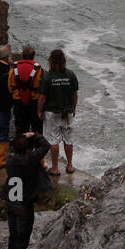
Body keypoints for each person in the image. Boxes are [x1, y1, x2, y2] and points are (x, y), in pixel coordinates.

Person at [1, 131, 51, 249]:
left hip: (11, 201)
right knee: (22, 239)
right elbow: (45, 146)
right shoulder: (30, 159)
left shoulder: (9, 159)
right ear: (28, 149)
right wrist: (35, 135)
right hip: (24, 205)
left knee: (13, 235)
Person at [37, 47, 78, 176]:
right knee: (68, 139)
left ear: (51, 61)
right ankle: (70, 166)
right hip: (68, 112)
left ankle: (55, 168)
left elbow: (42, 97)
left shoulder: (47, 77)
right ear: (64, 61)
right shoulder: (70, 75)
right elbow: (75, 94)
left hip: (52, 113)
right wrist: (74, 108)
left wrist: (39, 110)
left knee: (53, 141)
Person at [9, 45, 43, 135]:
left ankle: (22, 146)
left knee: (21, 127)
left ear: (22, 55)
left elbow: (10, 85)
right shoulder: (38, 69)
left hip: (18, 101)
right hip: (34, 101)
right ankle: (37, 147)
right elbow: (42, 87)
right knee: (37, 128)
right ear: (33, 56)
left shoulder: (14, 68)